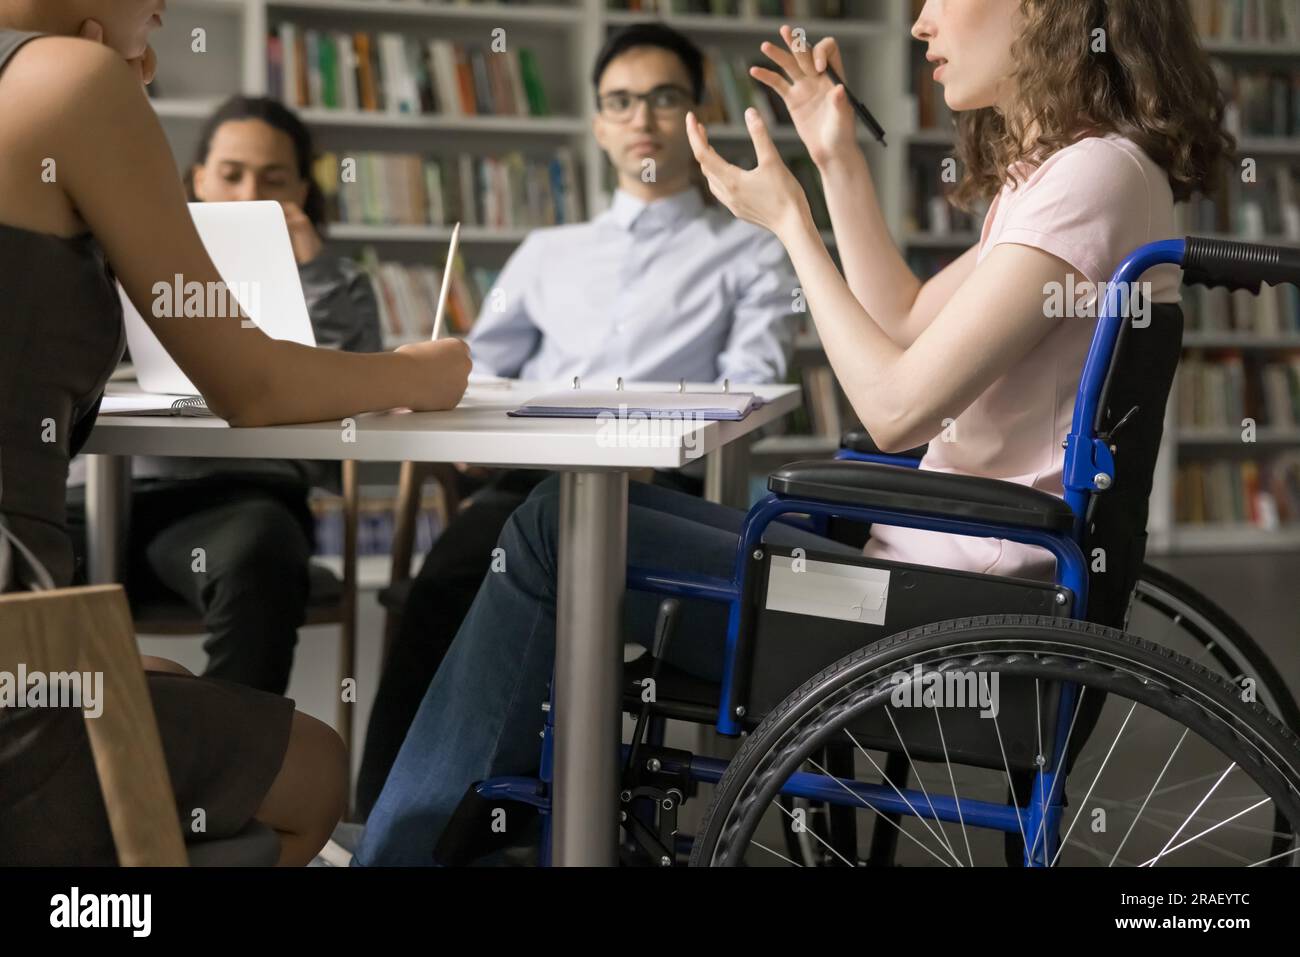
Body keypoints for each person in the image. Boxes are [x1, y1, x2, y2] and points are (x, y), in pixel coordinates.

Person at [354, 0, 1232, 865]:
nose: (922, 23)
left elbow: (893, 406)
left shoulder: (1086, 180)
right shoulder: (1086, 174)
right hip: (949, 580)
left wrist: (790, 226)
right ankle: (478, 832)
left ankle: (406, 849)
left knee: (554, 532)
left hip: (938, 611)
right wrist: (835, 156)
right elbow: (908, 315)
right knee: (575, 518)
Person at [0, 1, 469, 865]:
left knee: (173, 677)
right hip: (16, 653)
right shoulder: (70, 82)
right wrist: (420, 371)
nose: (165, 10)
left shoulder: (57, 80)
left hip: (39, 618)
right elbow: (250, 383)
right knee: (316, 771)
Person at [352, 22, 798, 817]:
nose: (642, 120)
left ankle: (508, 814)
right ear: (597, 124)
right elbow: (477, 366)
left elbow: (754, 387)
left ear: (700, 113)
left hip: (662, 485)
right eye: (620, 102)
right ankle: (386, 816)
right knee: (447, 580)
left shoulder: (750, 250)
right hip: (532, 476)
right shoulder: (548, 249)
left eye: (665, 98)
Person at [66, 95, 382, 695]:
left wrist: (310, 271)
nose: (247, 193)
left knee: (261, 553)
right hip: (105, 495)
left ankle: (230, 768)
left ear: (304, 192)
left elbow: (345, 393)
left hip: (238, 502)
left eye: (273, 178)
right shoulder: (132, 258)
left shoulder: (339, 282)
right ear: (196, 180)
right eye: (231, 175)